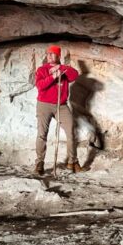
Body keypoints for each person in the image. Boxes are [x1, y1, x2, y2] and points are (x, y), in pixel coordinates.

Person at [34, 44, 83, 174]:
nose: (49, 56)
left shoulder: (64, 70)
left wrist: (60, 68)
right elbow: (40, 86)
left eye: (52, 54)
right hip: (44, 105)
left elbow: (75, 75)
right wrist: (53, 76)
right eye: (48, 53)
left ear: (58, 55)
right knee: (42, 134)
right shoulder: (42, 69)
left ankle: (73, 162)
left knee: (71, 131)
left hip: (61, 106)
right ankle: (39, 163)